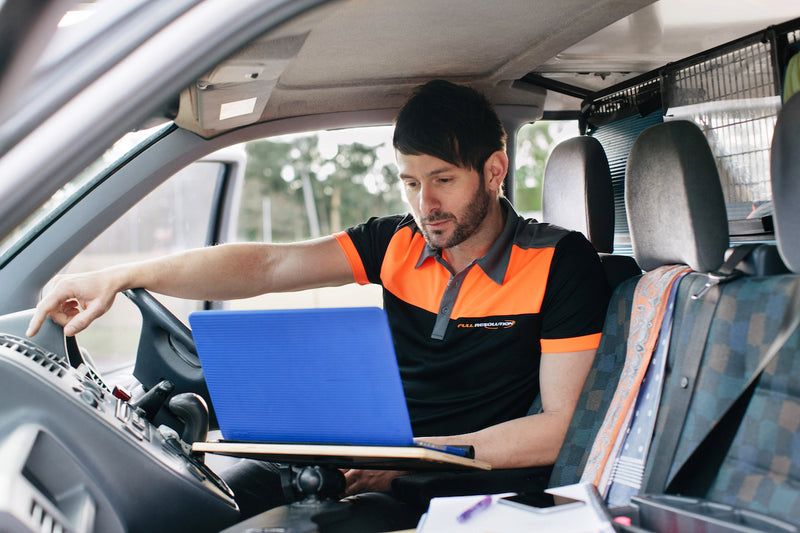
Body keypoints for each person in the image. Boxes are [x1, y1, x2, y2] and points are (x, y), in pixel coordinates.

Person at [26, 80, 611, 528]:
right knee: (194, 505)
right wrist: (122, 275)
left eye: (443, 180)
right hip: (358, 456)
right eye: (410, 183)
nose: (425, 205)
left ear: (494, 171)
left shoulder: (561, 263)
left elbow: (558, 428)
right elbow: (268, 265)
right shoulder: (395, 242)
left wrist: (410, 459)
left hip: (448, 489)